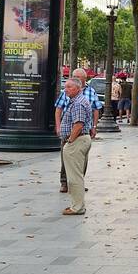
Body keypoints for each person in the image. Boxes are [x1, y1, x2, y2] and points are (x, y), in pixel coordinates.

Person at [54, 72, 101, 193]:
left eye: (77, 77)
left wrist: (94, 126)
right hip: (70, 133)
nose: (66, 89)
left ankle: (77, 183)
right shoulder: (67, 94)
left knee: (80, 160)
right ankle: (65, 182)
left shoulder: (84, 97)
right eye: (74, 76)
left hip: (77, 134)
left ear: (83, 81)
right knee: (66, 159)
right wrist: (58, 127)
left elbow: (94, 111)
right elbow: (58, 109)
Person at [57, 77, 93, 216]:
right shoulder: (77, 101)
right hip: (79, 140)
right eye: (65, 87)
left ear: (78, 88)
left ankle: (77, 207)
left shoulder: (78, 103)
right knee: (75, 175)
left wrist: (70, 140)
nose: (66, 90)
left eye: (69, 87)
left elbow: (78, 124)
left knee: (74, 177)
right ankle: (77, 205)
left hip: (77, 141)